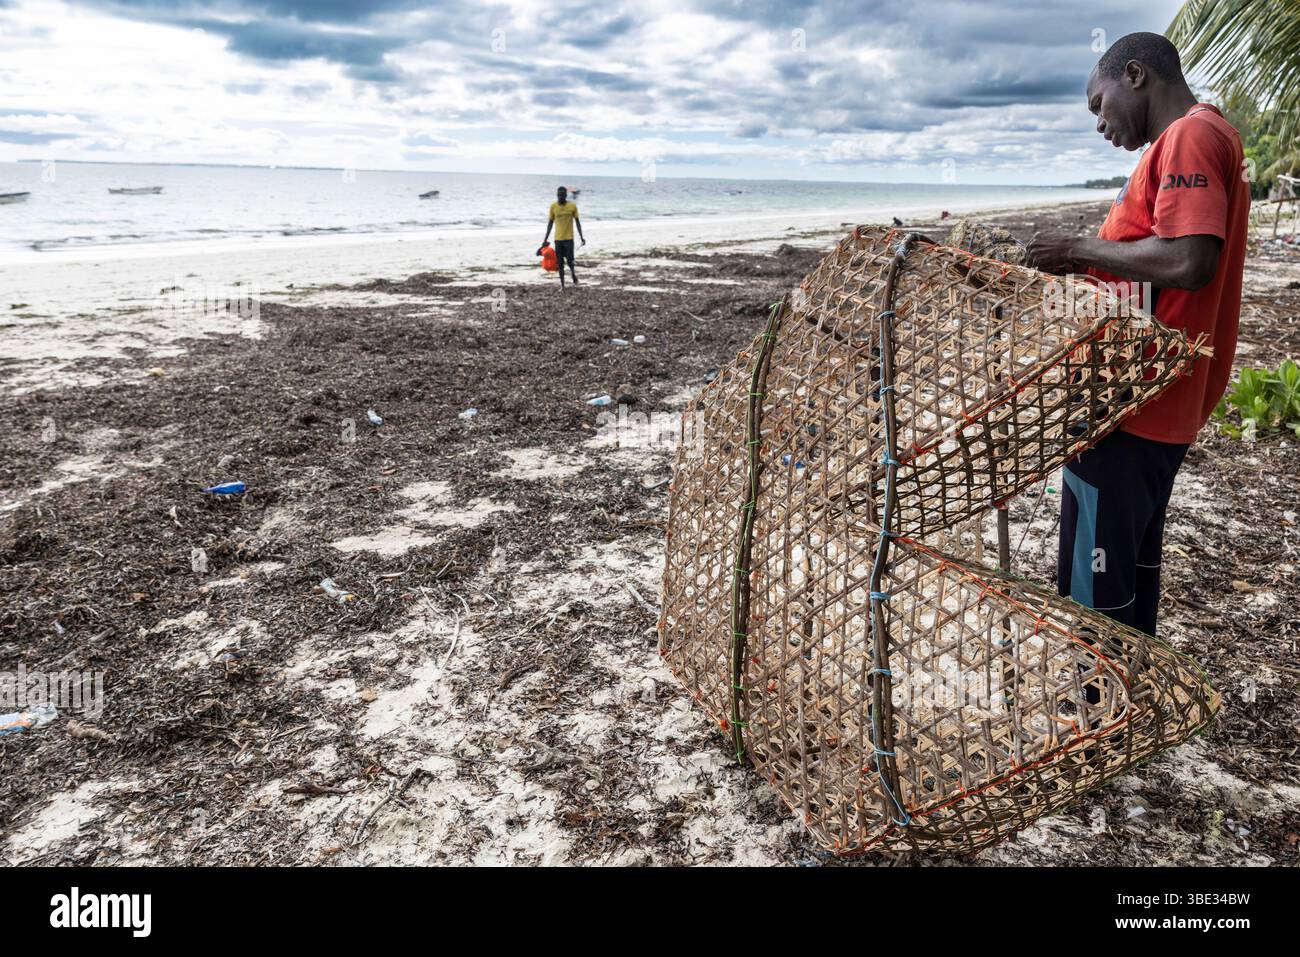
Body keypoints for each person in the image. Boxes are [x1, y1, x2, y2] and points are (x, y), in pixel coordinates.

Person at [1026, 31, 1249, 638]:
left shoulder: (1191, 135)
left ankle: (1096, 722)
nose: (1099, 125)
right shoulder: (1194, 138)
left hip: (1131, 408)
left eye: (1098, 105)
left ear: (1135, 75)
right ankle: (1127, 716)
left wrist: (1074, 249)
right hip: (1150, 402)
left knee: (1089, 594)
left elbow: (1190, 262)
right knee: (1127, 582)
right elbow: (1158, 263)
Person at [539, 186, 584, 289]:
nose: (560, 197)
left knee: (570, 261)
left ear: (566, 195)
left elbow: (577, 222)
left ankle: (573, 273)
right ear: (557, 195)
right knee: (560, 263)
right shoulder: (553, 207)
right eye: (559, 195)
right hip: (558, 240)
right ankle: (563, 286)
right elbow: (550, 223)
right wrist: (545, 239)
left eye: (562, 195)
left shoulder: (572, 206)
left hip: (569, 239)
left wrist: (581, 237)